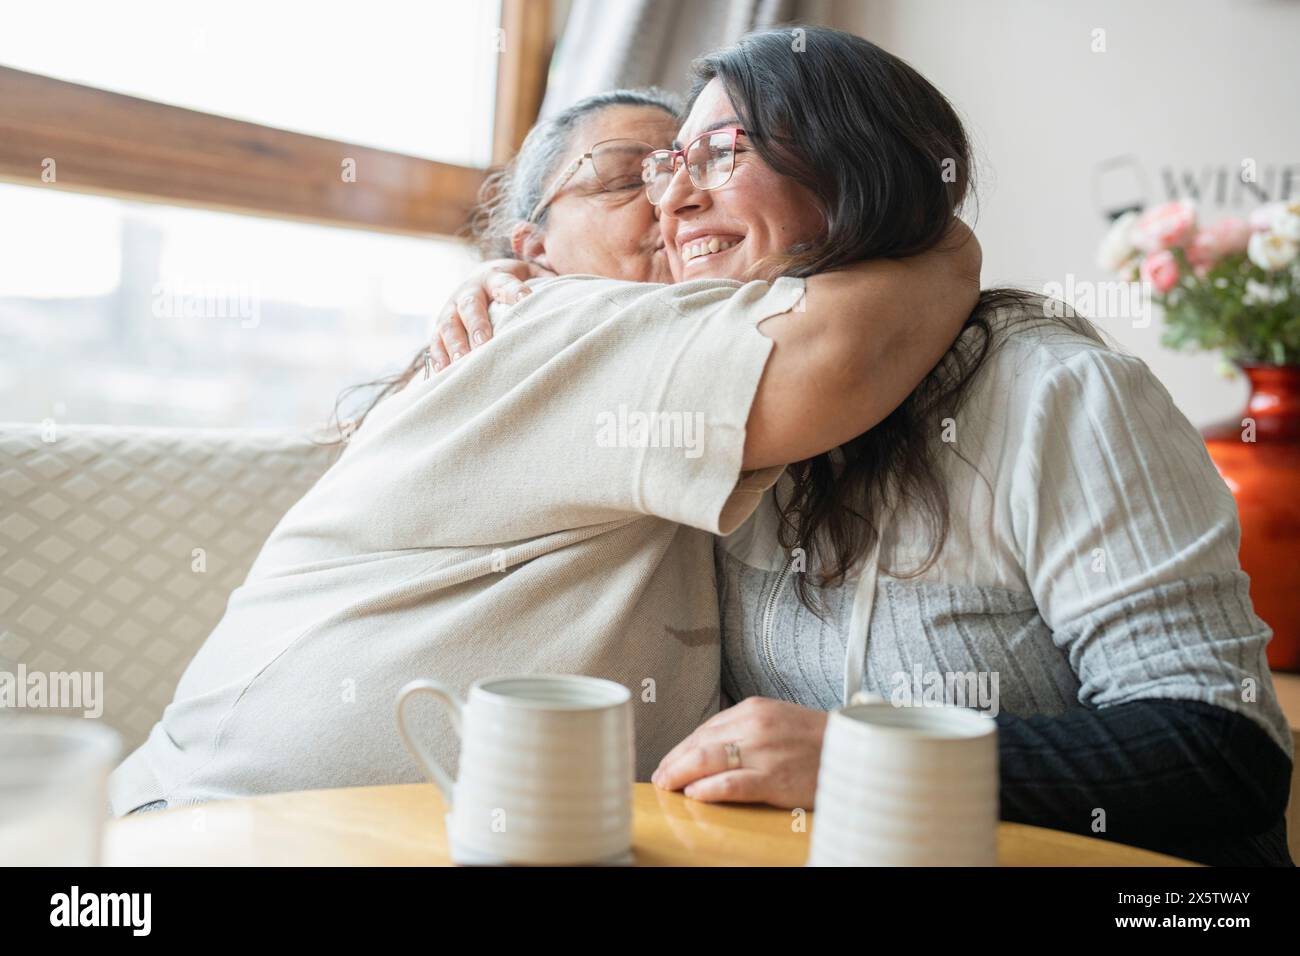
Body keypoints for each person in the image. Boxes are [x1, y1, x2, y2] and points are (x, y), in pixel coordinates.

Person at [436, 27, 1295, 867]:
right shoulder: (721, 414)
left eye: (720, 152)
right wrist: (514, 285)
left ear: (851, 163)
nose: (672, 202)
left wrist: (862, 759)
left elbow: (1223, 753)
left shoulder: (1061, 395)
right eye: (666, 171)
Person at [107, 82, 980, 815]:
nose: (671, 196)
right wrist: (936, 227)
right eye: (620, 178)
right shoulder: (554, 324)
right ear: (533, 250)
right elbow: (842, 355)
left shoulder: (663, 361)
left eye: (694, 164)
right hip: (207, 827)